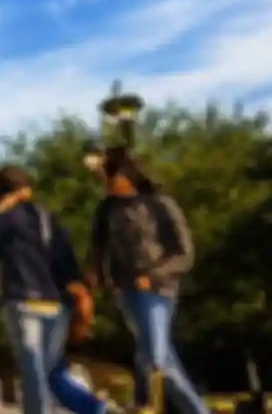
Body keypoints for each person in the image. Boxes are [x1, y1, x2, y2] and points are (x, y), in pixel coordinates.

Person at [0, 166, 116, 414]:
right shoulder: (48, 219)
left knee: (35, 372)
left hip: (22, 302)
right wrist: (80, 294)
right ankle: (96, 409)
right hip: (55, 305)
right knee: (49, 371)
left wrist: (0, 211)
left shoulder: (2, 222)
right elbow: (66, 262)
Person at [85, 145, 209, 414]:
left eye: (108, 176)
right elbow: (98, 248)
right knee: (156, 356)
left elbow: (184, 253)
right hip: (126, 292)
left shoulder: (159, 204)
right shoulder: (106, 209)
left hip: (158, 291)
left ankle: (160, 406)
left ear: (124, 175)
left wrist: (152, 276)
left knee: (155, 358)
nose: (105, 183)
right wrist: (100, 279)